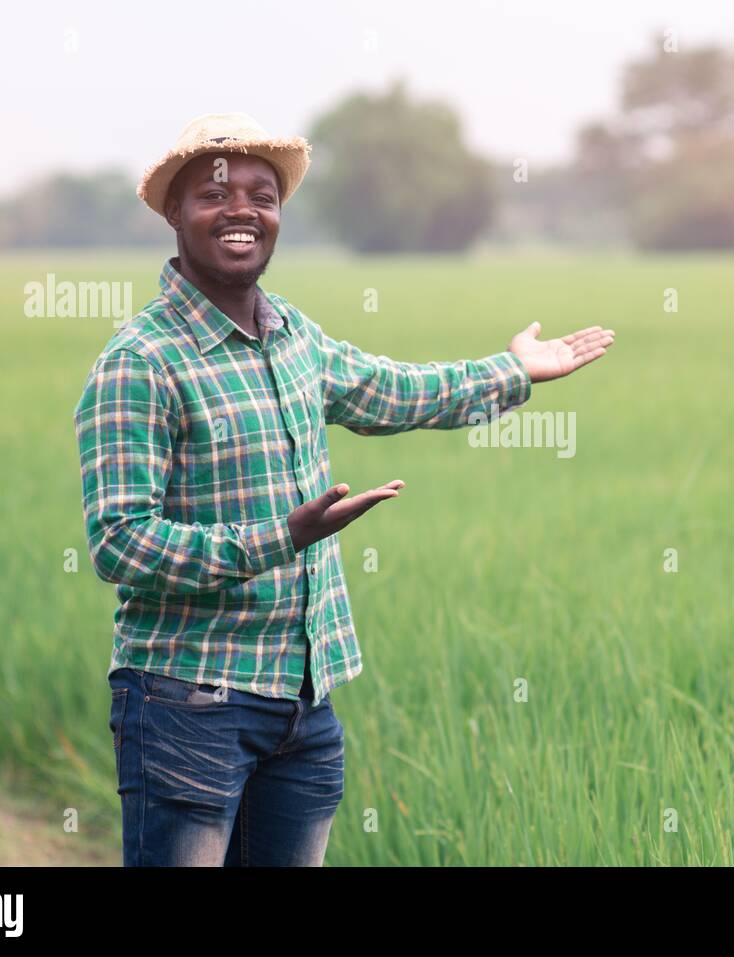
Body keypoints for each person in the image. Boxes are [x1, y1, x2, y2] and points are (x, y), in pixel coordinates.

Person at [74, 113, 615, 866]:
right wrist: (280, 537)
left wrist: (515, 369)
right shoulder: (141, 362)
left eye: (263, 196)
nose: (242, 211)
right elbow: (119, 541)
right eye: (215, 194)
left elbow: (394, 391)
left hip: (303, 703)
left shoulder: (294, 334)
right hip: (187, 702)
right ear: (174, 212)